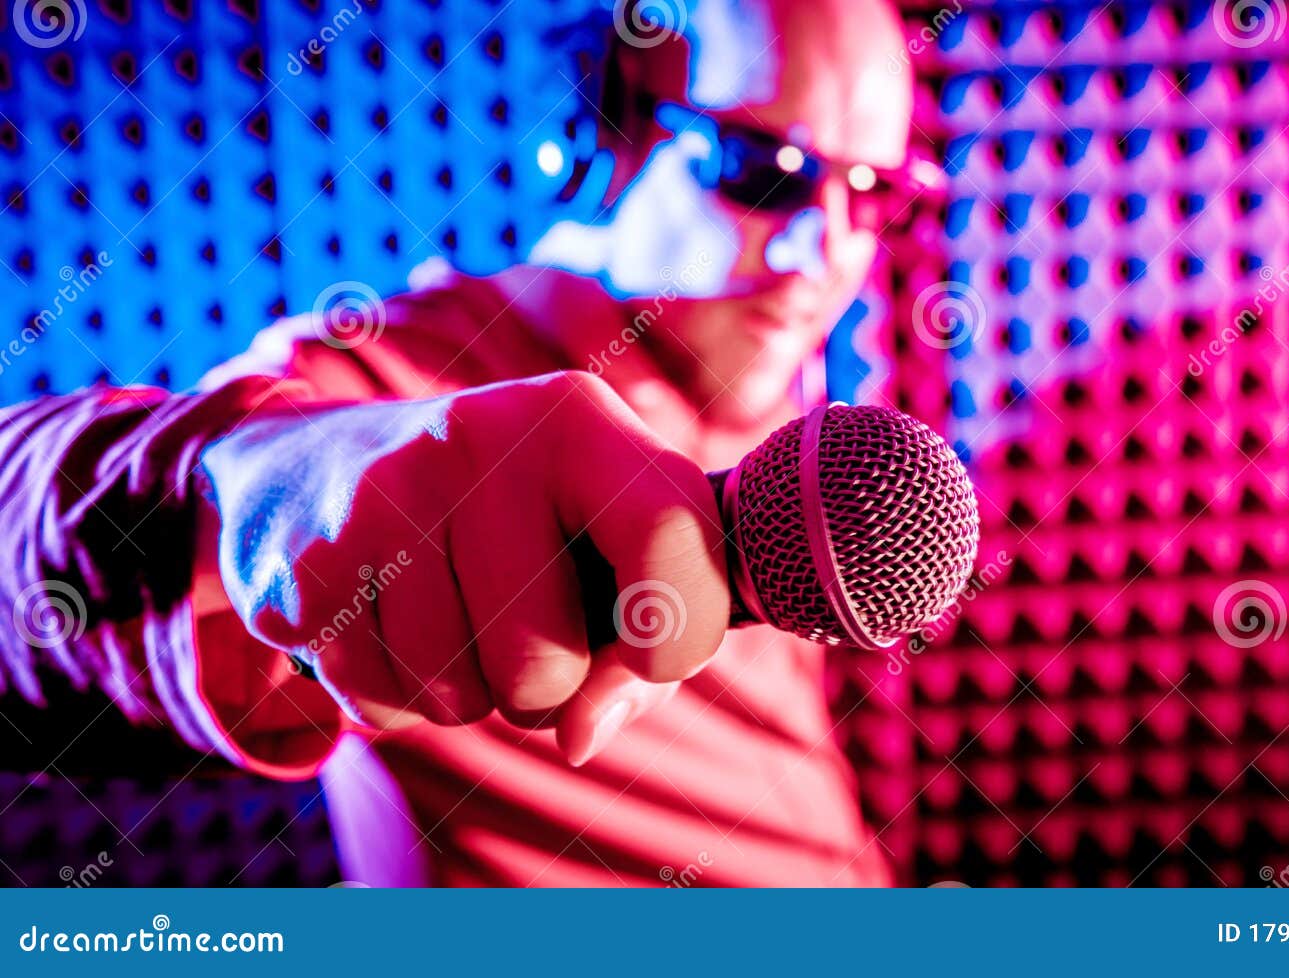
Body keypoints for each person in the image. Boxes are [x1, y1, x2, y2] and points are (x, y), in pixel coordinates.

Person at [0, 0, 933, 886]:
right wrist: (252, 490)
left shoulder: (781, 401)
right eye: (761, 166)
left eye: (875, 194)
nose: (826, 252)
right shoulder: (403, 386)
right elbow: (34, 546)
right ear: (597, 129)